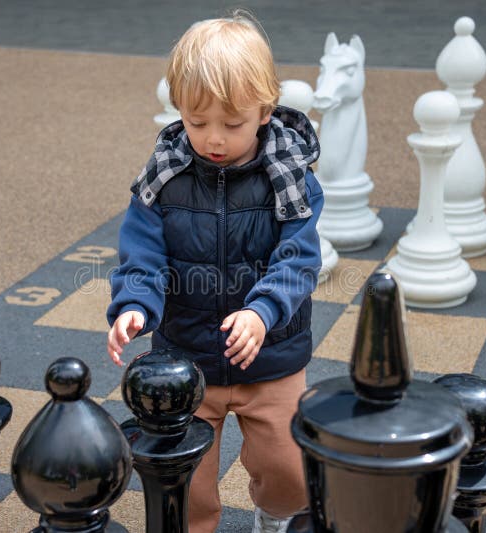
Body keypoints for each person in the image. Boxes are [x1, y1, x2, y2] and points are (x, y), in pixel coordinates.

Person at [106, 12, 323, 533]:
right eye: (197, 122)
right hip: (186, 360)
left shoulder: (289, 181)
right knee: (185, 483)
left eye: (232, 123)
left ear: (266, 110)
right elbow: (142, 255)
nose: (214, 138)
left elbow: (299, 260)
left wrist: (261, 312)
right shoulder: (164, 179)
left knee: (290, 471)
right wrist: (136, 303)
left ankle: (273, 519)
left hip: (271, 357)